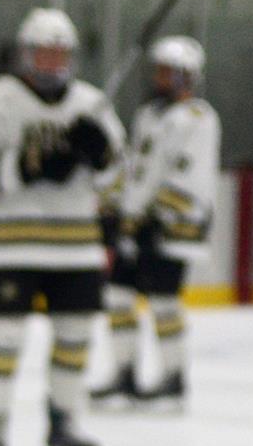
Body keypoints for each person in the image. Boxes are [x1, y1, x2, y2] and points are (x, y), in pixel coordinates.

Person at [0, 7, 123, 446]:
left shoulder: (91, 106)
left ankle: (64, 421)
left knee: (75, 335)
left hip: (76, 247)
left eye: (60, 53)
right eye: (44, 52)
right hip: (13, 244)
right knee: (5, 335)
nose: (52, 61)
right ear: (26, 54)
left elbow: (118, 182)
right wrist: (31, 165)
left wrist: (101, 155)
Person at [91, 35, 219, 410]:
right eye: (158, 70)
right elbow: (135, 169)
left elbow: (189, 176)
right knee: (117, 296)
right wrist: (115, 206)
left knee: (164, 301)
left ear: (187, 76)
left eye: (168, 71)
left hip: (173, 228)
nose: (159, 78)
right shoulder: (147, 115)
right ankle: (124, 373)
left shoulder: (199, 118)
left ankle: (175, 378)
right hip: (137, 225)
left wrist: (157, 216)